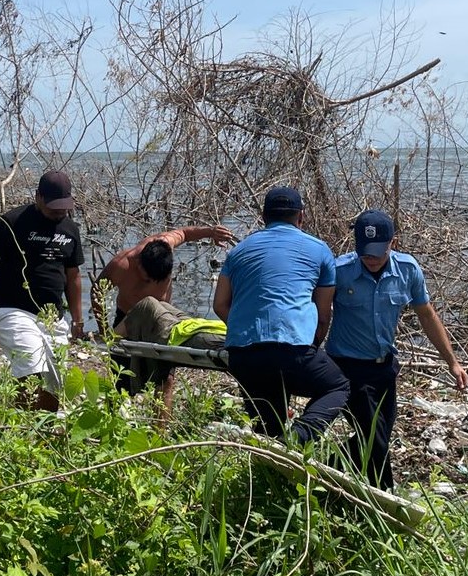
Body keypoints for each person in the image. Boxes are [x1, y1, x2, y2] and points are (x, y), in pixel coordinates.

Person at [326, 210, 468, 489]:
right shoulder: (339, 271)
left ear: (394, 242)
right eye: (365, 252)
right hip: (347, 367)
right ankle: (385, 497)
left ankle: (328, 469)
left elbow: (427, 316)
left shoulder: (408, 269)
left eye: (378, 251)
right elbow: (316, 312)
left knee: (377, 437)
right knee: (373, 439)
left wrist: (452, 362)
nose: (371, 258)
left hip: (385, 369)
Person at [213, 186, 349, 444]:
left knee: (267, 433)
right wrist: (312, 348)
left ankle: (270, 475)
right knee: (338, 386)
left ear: (264, 217)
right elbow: (323, 316)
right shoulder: (319, 250)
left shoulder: (239, 251)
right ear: (301, 217)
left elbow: (220, 304)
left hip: (243, 355)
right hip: (291, 350)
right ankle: (301, 434)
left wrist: (246, 329)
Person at [0, 170, 85, 412]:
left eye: (64, 207)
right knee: (32, 366)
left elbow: (73, 277)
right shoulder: (14, 222)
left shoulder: (70, 229)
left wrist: (78, 319)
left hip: (52, 318)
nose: (59, 212)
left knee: (54, 381)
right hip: (11, 309)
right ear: (38, 197)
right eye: (54, 207)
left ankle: (44, 429)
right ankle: (19, 426)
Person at [93, 223, 234, 412]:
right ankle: (111, 423)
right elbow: (97, 292)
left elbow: (184, 233)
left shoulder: (166, 244)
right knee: (119, 381)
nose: (151, 283)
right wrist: (104, 331)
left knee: (165, 380)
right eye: (147, 279)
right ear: (139, 263)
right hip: (127, 322)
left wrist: (211, 232)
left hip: (161, 322)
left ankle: (160, 433)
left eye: (158, 280)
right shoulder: (122, 264)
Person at [114, 296, 227, 394]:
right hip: (208, 328)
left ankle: (109, 339)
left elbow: (220, 306)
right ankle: (111, 337)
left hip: (195, 335)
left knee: (147, 304)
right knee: (162, 304)